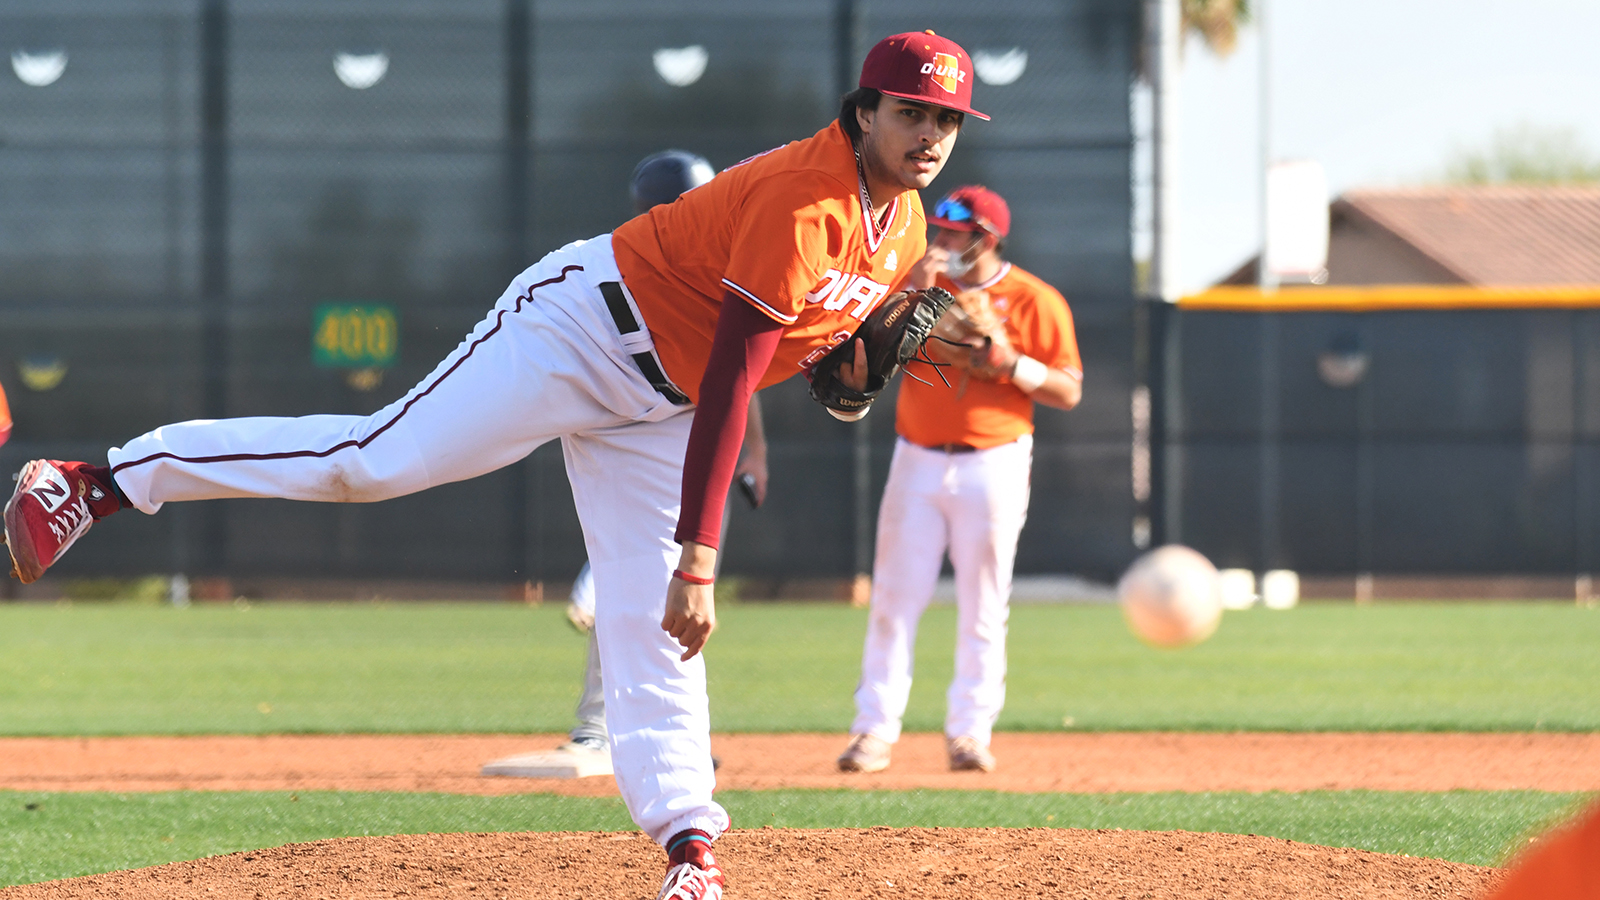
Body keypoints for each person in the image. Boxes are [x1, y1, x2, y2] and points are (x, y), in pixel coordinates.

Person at [4, 30, 985, 900]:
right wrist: (700, 554)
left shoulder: (898, 229)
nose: (930, 134)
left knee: (656, 630)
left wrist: (864, 360)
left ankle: (691, 848)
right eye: (911, 111)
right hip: (582, 330)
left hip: (657, 405)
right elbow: (734, 377)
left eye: (946, 118)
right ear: (862, 112)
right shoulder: (801, 199)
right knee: (374, 462)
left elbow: (820, 371)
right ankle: (100, 481)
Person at [836, 185, 1082, 775]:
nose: (942, 240)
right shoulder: (922, 285)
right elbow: (867, 335)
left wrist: (1010, 363)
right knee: (894, 597)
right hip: (916, 454)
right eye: (939, 228)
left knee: (983, 602)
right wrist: (913, 284)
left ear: (986, 240)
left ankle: (969, 735)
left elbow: (1069, 389)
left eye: (954, 232)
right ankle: (873, 731)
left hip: (993, 458)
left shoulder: (1033, 299)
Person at [557, 152, 770, 764]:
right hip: (645, 441)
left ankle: (675, 737)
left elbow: (740, 379)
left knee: (688, 600)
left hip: (705, 453)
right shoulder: (624, 269)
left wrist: (754, 451)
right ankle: (599, 726)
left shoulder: (729, 270)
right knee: (634, 585)